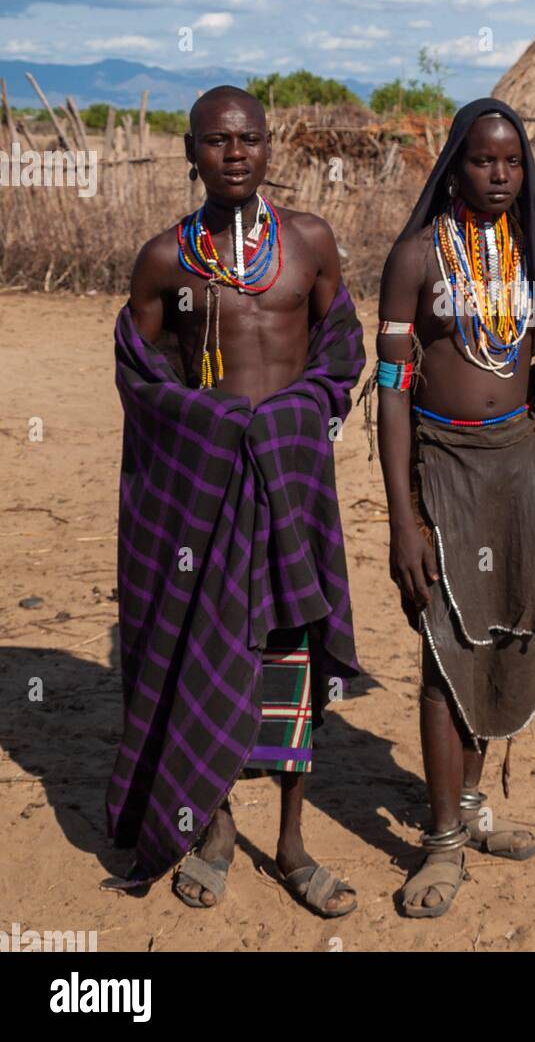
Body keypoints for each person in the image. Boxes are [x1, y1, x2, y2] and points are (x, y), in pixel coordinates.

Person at [106, 86, 365, 919]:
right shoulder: (163, 262)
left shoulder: (308, 244)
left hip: (289, 489)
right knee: (200, 654)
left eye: (249, 139)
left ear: (268, 147)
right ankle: (210, 831)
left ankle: (290, 844)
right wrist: (212, 425)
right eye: (216, 142)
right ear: (190, 152)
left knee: (287, 659)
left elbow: (341, 350)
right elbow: (142, 377)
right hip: (202, 502)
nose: (235, 154)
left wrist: (292, 416)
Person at [369, 97, 535, 918]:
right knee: (447, 650)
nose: (498, 174)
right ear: (454, 164)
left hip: (520, 466)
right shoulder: (416, 259)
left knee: (511, 635)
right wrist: (401, 519)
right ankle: (441, 844)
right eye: (483, 160)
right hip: (442, 467)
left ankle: (475, 809)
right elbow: (388, 394)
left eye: (512, 162)